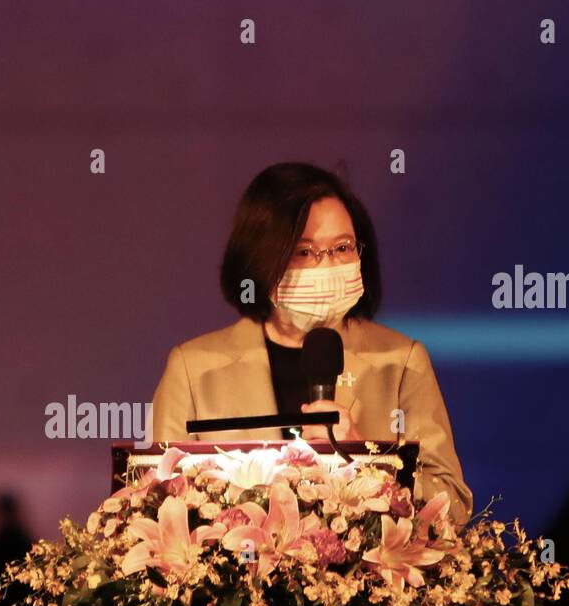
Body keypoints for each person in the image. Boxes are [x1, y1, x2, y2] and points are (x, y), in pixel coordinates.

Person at [150, 162, 473, 526]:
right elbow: (156, 509)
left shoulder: (400, 362)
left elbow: (454, 508)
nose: (327, 265)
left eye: (342, 248)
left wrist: (367, 462)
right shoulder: (194, 370)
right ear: (261, 260)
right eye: (304, 252)